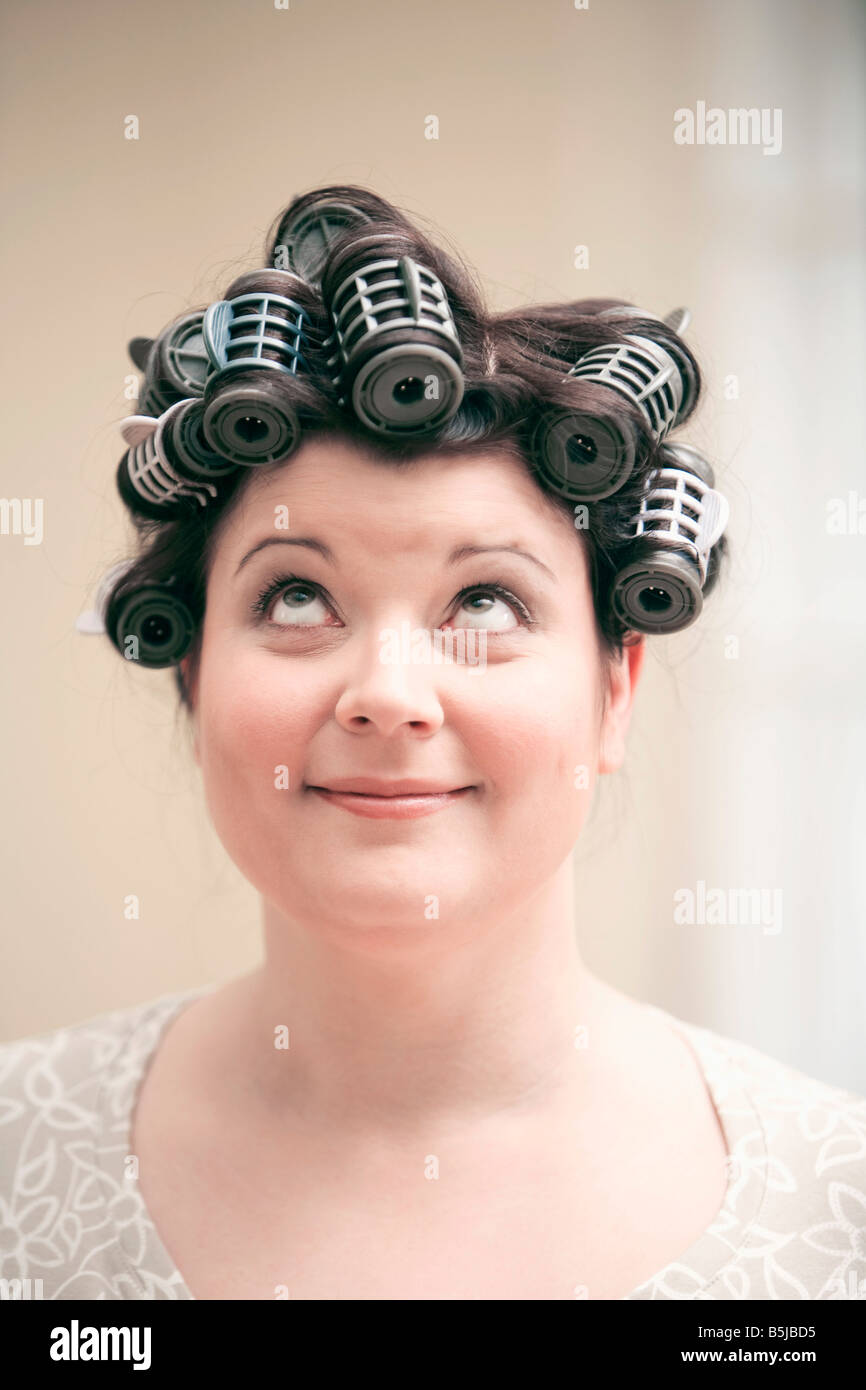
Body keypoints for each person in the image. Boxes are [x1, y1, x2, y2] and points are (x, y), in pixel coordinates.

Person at [1, 186, 864, 1302]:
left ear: (616, 689)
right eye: (298, 595)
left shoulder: (836, 1212)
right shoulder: (17, 1161)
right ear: (190, 668)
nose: (389, 695)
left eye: (489, 604)